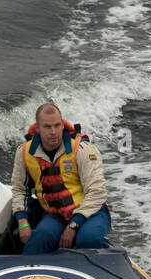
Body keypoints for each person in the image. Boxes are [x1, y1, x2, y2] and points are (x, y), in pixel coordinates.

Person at [11, 103, 111, 254]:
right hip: (55, 215)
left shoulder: (82, 149)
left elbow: (97, 193)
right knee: (35, 245)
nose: (53, 132)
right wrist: (22, 221)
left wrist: (73, 226)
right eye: (47, 127)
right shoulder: (24, 152)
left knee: (87, 240)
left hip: (91, 213)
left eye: (57, 125)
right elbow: (19, 189)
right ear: (37, 128)